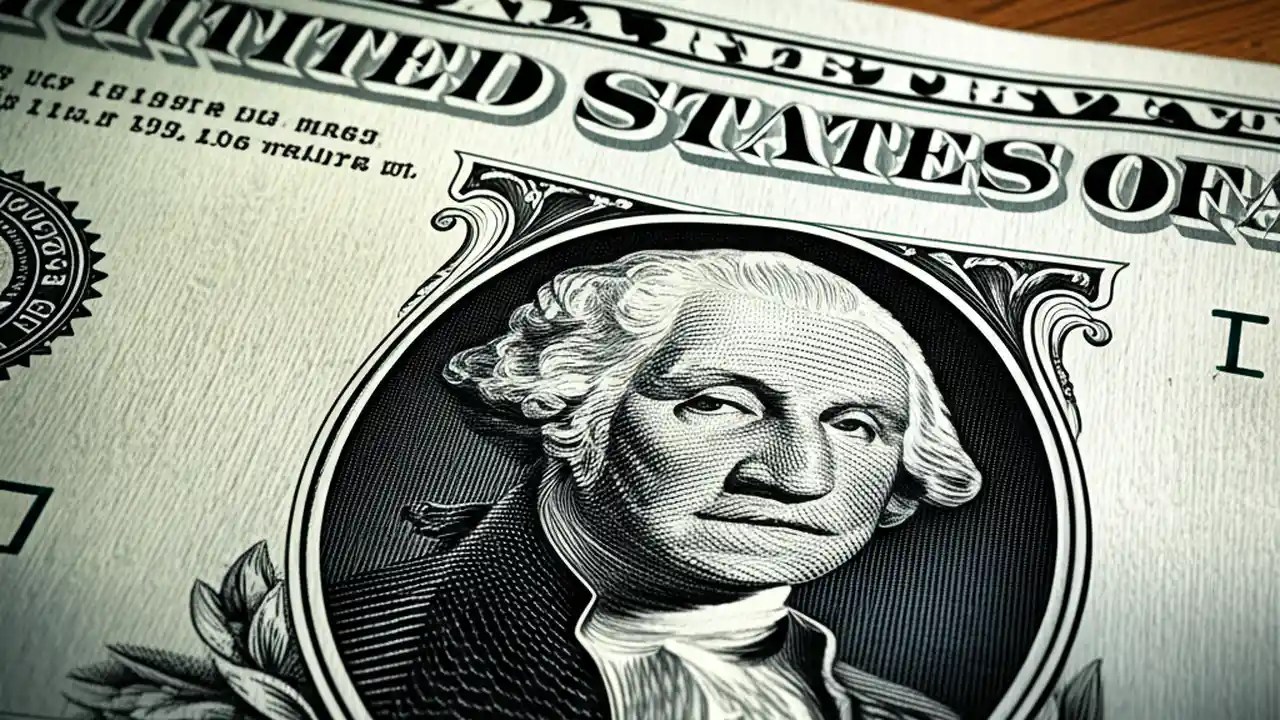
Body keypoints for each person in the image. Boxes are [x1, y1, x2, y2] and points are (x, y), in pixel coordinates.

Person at [328, 248, 982, 720]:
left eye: (856, 426)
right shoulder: (342, 654)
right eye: (719, 404)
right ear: (574, 408)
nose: (799, 477)